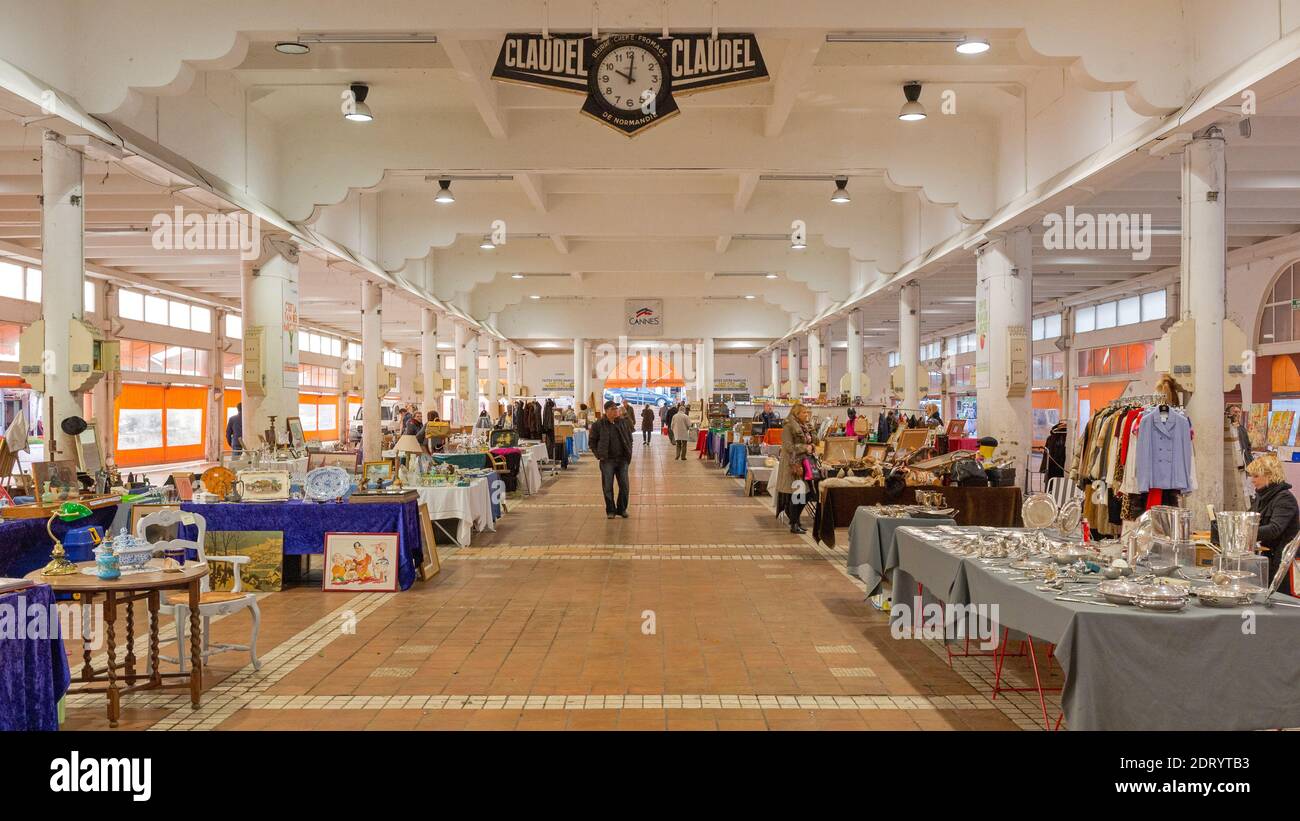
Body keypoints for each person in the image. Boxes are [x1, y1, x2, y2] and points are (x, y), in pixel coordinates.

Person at [1211, 452, 1299, 595]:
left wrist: (1241, 532)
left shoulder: (1284, 499)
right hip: (1267, 558)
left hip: (1282, 563)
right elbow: (1247, 519)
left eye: (1256, 476)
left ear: (1270, 475)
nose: (1252, 480)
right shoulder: (1262, 497)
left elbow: (1274, 529)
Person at [773, 402, 819, 534]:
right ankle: (794, 524)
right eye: (804, 412)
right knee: (798, 495)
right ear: (796, 414)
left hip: (805, 464)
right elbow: (788, 446)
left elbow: (815, 441)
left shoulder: (806, 426)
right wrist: (805, 447)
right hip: (793, 466)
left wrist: (812, 433)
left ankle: (795, 521)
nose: (807, 414)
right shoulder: (788, 426)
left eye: (807, 412)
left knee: (807, 494)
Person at [590, 400, 634, 519]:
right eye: (613, 409)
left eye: (616, 409)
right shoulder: (598, 425)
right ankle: (610, 510)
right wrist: (598, 455)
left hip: (622, 460)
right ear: (606, 411)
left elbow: (630, 438)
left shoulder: (623, 423)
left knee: (624, 486)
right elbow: (592, 442)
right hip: (607, 460)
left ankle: (622, 509)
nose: (615, 411)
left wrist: (629, 452)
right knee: (608, 487)